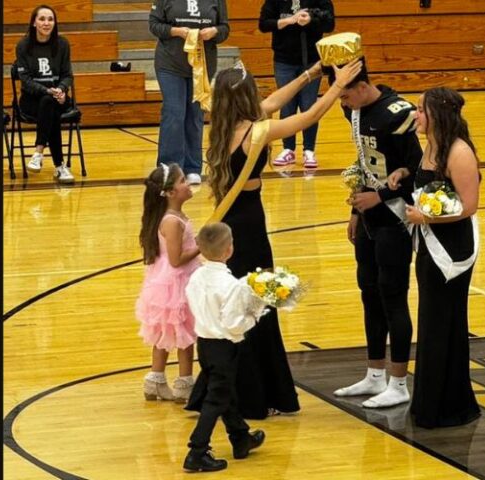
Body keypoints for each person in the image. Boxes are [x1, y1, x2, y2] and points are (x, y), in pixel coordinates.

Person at [185, 57, 363, 419]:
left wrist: (310, 74)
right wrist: (337, 85)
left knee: (237, 303)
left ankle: (225, 388)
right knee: (256, 303)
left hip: (229, 219)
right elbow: (308, 117)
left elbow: (273, 103)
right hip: (248, 225)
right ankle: (258, 392)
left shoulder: (221, 124)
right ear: (246, 96)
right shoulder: (256, 133)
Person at [325, 52, 423, 409]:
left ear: (363, 86)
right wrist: (357, 208)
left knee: (392, 294)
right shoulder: (353, 110)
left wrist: (380, 196)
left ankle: (399, 381)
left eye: (346, 95)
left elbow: (417, 167)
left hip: (395, 215)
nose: (343, 102)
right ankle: (375, 373)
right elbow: (364, 163)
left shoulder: (398, 113)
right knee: (368, 291)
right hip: (367, 215)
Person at [387, 87, 482, 428]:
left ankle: (448, 406)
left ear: (438, 114)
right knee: (431, 322)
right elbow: (430, 187)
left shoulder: (459, 152)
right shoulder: (432, 146)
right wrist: (403, 176)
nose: (416, 115)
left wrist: (425, 217)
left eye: (421, 110)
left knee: (445, 324)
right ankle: (431, 401)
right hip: (429, 245)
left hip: (451, 251)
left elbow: (469, 205)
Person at [182, 222, 267, 472]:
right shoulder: (232, 286)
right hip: (224, 347)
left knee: (224, 392)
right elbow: (234, 325)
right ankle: (196, 452)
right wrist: (256, 312)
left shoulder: (196, 276)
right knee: (216, 399)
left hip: (204, 344)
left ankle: (241, 437)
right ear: (229, 250)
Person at [135, 163, 202, 403]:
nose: (188, 183)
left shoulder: (172, 217)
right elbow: (176, 260)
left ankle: (156, 380)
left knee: (165, 332)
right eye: (183, 180)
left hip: (164, 281)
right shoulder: (172, 221)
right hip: (176, 282)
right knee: (184, 335)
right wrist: (201, 246)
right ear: (171, 192)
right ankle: (185, 383)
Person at [149, 0, 230, 185]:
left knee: (195, 114)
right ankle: (169, 167)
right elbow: (154, 25)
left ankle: (193, 167)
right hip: (170, 65)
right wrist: (176, 31)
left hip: (202, 66)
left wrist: (214, 32)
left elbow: (225, 28)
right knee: (174, 112)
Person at [259, 0, 335, 169]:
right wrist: (289, 20)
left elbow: (330, 23)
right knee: (286, 105)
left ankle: (309, 150)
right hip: (284, 60)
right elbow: (263, 24)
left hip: (311, 60)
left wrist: (311, 19)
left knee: (309, 105)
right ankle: (288, 149)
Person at [15, 4, 76, 183]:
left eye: (50, 19)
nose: (46, 23)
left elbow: (67, 75)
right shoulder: (23, 45)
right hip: (31, 100)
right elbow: (25, 79)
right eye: (42, 19)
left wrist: (63, 90)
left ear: (55, 23)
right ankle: (60, 167)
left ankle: (38, 152)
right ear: (34, 23)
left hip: (57, 97)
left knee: (49, 105)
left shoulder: (62, 44)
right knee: (49, 106)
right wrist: (48, 91)